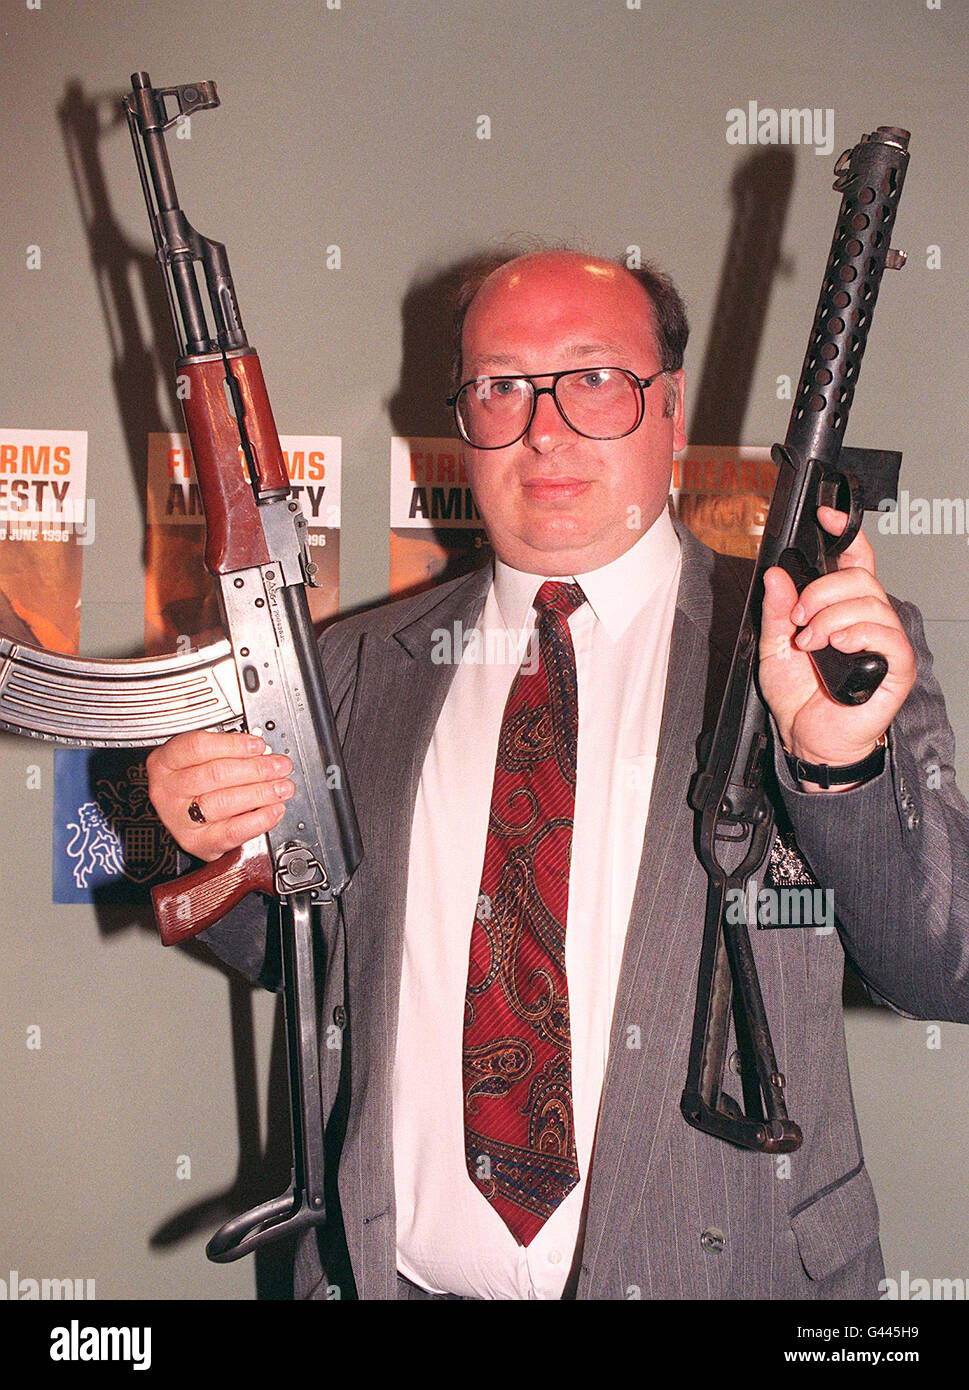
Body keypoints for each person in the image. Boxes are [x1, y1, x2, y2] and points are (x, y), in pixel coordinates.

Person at [147, 248, 969, 1300]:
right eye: (500, 386)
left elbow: (940, 966)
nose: (544, 429)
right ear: (462, 423)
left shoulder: (813, 650)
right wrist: (211, 847)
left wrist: (838, 769)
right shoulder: (353, 670)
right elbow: (319, 968)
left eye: (594, 379)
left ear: (670, 409)